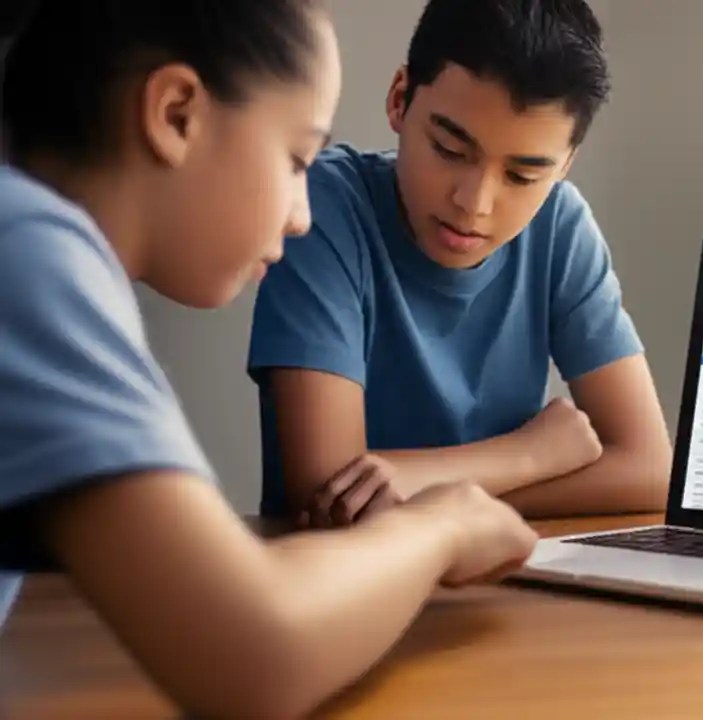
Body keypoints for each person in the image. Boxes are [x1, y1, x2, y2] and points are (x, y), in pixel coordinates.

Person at [0, 2, 536, 716]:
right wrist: (444, 526)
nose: (301, 214)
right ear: (177, 114)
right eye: (296, 160)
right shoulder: (26, 256)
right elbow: (254, 652)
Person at [248, 0, 673, 529]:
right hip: (340, 569)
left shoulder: (560, 228)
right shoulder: (323, 209)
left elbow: (651, 468)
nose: (474, 204)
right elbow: (331, 491)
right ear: (400, 99)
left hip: (497, 564)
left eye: (522, 177)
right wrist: (530, 455)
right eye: (450, 149)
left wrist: (440, 494)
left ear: (565, 164)